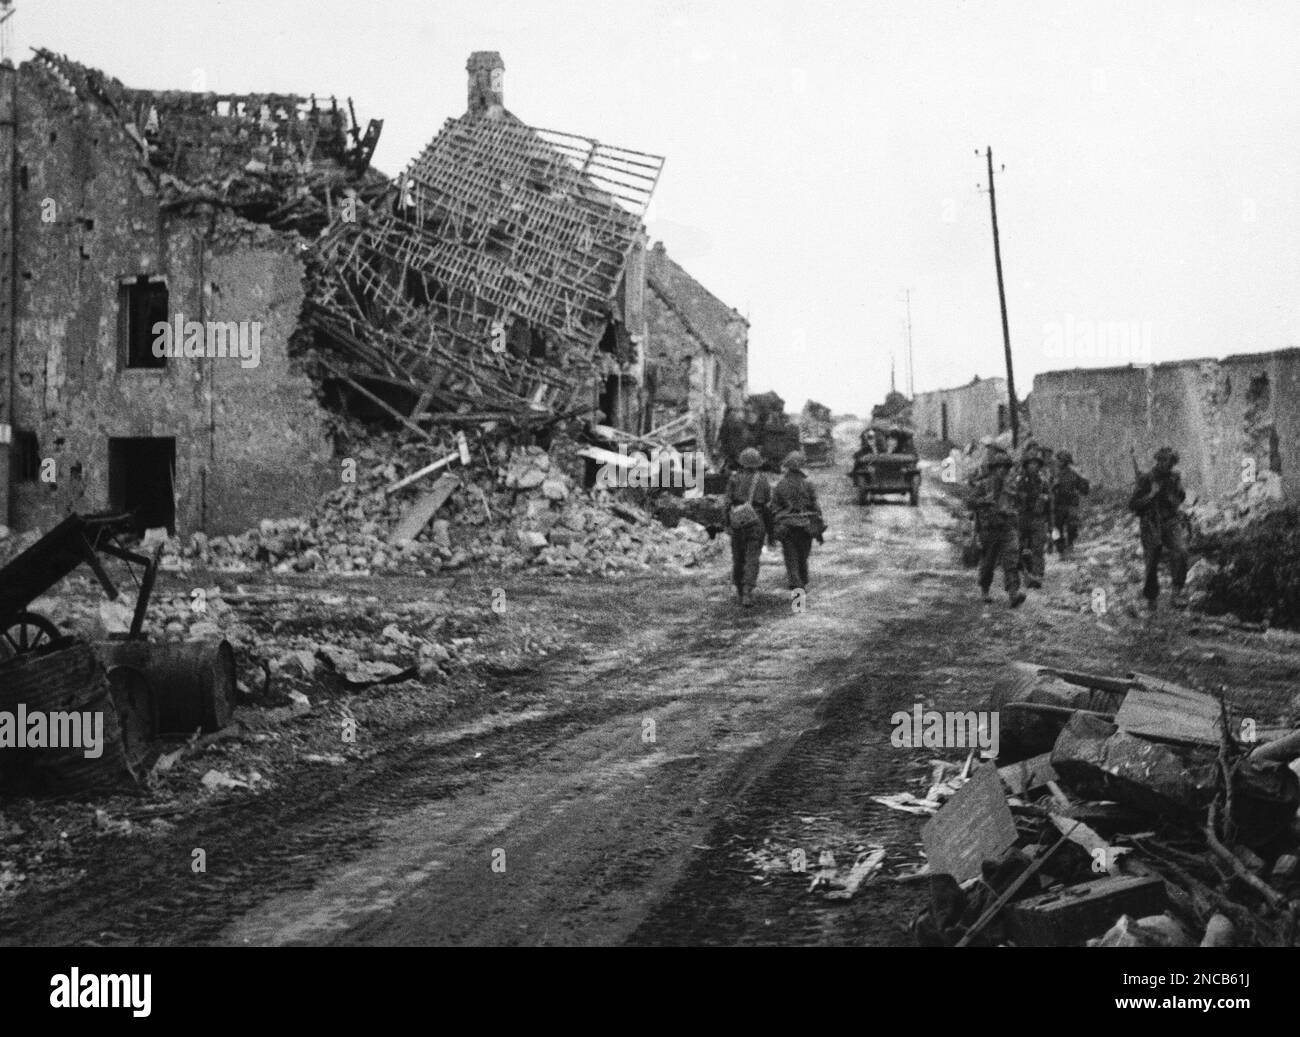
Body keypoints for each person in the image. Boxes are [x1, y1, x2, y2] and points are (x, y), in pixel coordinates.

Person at [1129, 446, 1189, 610]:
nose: (1166, 465)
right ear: (1158, 461)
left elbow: (1181, 496)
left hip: (1170, 522)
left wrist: (1174, 498)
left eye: (1170, 462)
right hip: (1151, 523)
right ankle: (1151, 597)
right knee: (1152, 558)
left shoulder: (1174, 478)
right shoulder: (1147, 479)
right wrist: (1151, 495)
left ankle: (1176, 592)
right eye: (1163, 461)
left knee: (1181, 552)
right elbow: (1133, 504)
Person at [971, 446, 1026, 607]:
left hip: (1008, 528)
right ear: (994, 469)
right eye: (999, 467)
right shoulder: (983, 485)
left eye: (1005, 468)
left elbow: (1020, 503)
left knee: (1011, 561)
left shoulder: (1012, 486)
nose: (1002, 470)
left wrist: (1014, 507)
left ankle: (1013, 593)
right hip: (989, 529)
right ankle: (985, 590)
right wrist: (984, 501)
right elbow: (970, 502)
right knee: (988, 563)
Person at [725, 447, 773, 608]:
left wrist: (727, 524)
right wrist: (770, 531)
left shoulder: (734, 479)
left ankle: (739, 588)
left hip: (738, 521)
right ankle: (747, 591)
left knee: (738, 557)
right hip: (756, 520)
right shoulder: (763, 480)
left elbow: (726, 504)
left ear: (742, 463)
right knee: (752, 558)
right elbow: (768, 505)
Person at [772, 451, 825, 593]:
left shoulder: (780, 485)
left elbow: (774, 507)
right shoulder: (808, 484)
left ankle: (797, 585)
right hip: (806, 525)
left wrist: (776, 524)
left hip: (787, 526)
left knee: (791, 557)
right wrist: (819, 525)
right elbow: (816, 507)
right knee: (803, 556)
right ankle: (801, 583)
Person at [1016, 450, 1052, 588]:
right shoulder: (1019, 482)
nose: (1033, 466)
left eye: (1036, 464)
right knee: (1018, 547)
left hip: (1038, 519)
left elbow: (1050, 505)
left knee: (1038, 548)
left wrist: (1050, 525)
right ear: (1026, 465)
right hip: (1022, 517)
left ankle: (1037, 575)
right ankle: (1023, 573)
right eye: (1031, 464)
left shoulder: (1043, 483)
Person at [1052, 450, 1090, 554]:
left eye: (1060, 460)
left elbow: (1084, 490)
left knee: (1072, 525)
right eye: (1058, 460)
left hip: (1070, 504)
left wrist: (1084, 480)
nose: (1058, 462)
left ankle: (1070, 544)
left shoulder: (1074, 474)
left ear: (1065, 462)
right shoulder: (1053, 473)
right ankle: (1059, 547)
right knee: (1055, 529)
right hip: (1056, 505)